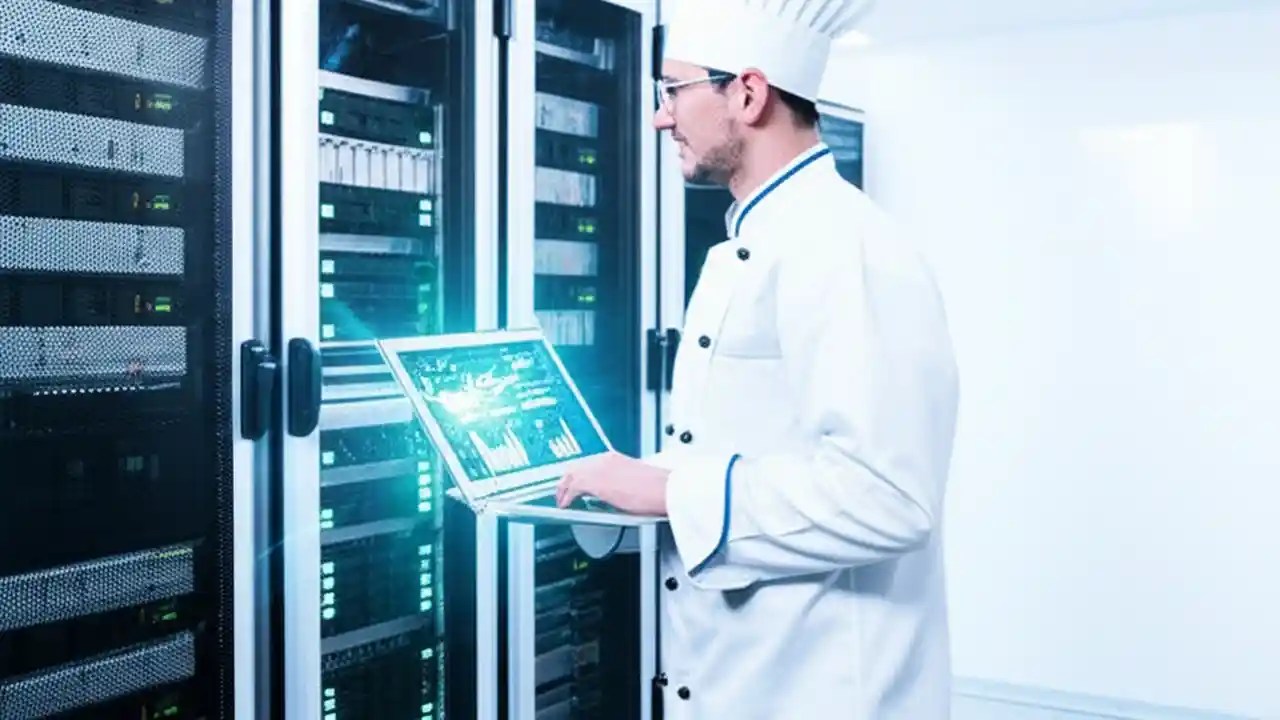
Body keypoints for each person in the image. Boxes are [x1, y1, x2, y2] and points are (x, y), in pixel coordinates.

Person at [555, 0, 960, 716]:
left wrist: (670, 493)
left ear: (747, 94)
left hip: (822, 696)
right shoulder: (762, 241)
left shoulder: (845, 249)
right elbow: (755, 447)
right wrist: (629, 484)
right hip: (749, 681)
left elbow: (889, 499)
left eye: (672, 90)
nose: (660, 118)